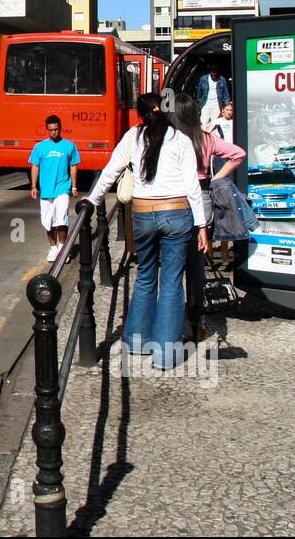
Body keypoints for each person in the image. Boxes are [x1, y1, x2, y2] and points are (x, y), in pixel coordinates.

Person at [89, 92, 208, 370]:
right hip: (177, 213)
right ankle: (165, 356)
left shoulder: (133, 136)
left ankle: (138, 342)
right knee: (171, 281)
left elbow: (111, 171)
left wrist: (92, 200)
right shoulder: (181, 139)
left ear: (140, 116)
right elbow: (193, 185)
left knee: (144, 274)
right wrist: (201, 224)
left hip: (143, 213)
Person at [169, 93, 246, 340]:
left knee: (172, 264)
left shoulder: (170, 140)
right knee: (196, 265)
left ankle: (170, 321)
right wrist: (218, 177)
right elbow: (238, 154)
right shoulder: (205, 139)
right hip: (202, 199)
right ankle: (197, 322)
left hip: (175, 199)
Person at [29, 114, 80, 262]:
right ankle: (53, 249)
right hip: (46, 190)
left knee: (62, 219)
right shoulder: (40, 147)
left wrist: (74, 186)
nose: (54, 133)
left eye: (56, 129)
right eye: (51, 130)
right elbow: (35, 167)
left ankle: (63, 249)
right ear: (47, 130)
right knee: (48, 221)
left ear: (60, 128)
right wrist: (33, 186)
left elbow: (73, 166)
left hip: (63, 188)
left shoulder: (69, 146)